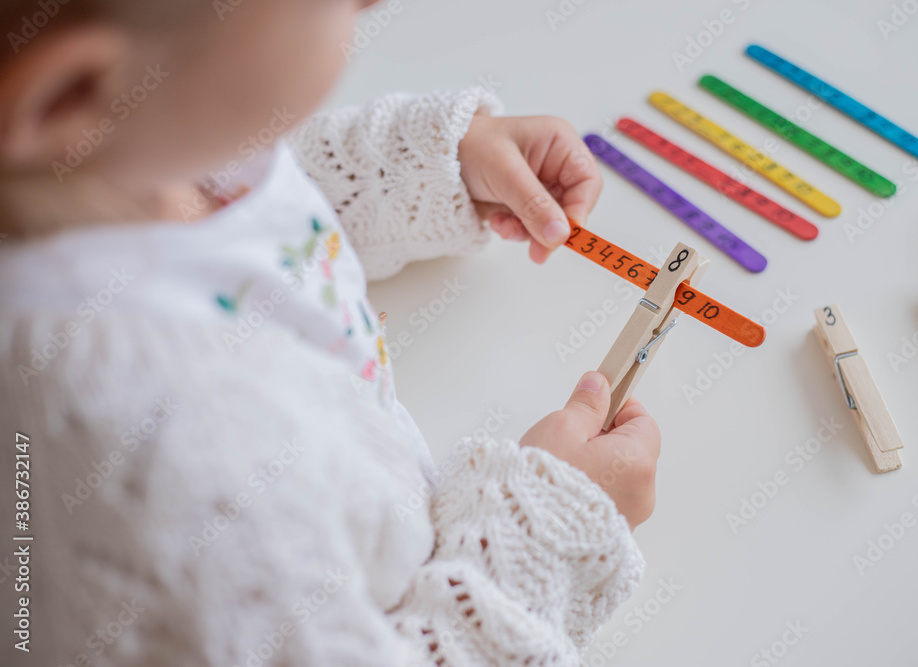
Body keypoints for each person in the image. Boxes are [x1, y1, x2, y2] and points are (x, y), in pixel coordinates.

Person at [0, 1, 661, 664]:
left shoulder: (117, 153)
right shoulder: (172, 456)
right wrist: (546, 535)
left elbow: (222, 167)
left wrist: (414, 169)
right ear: (69, 94)